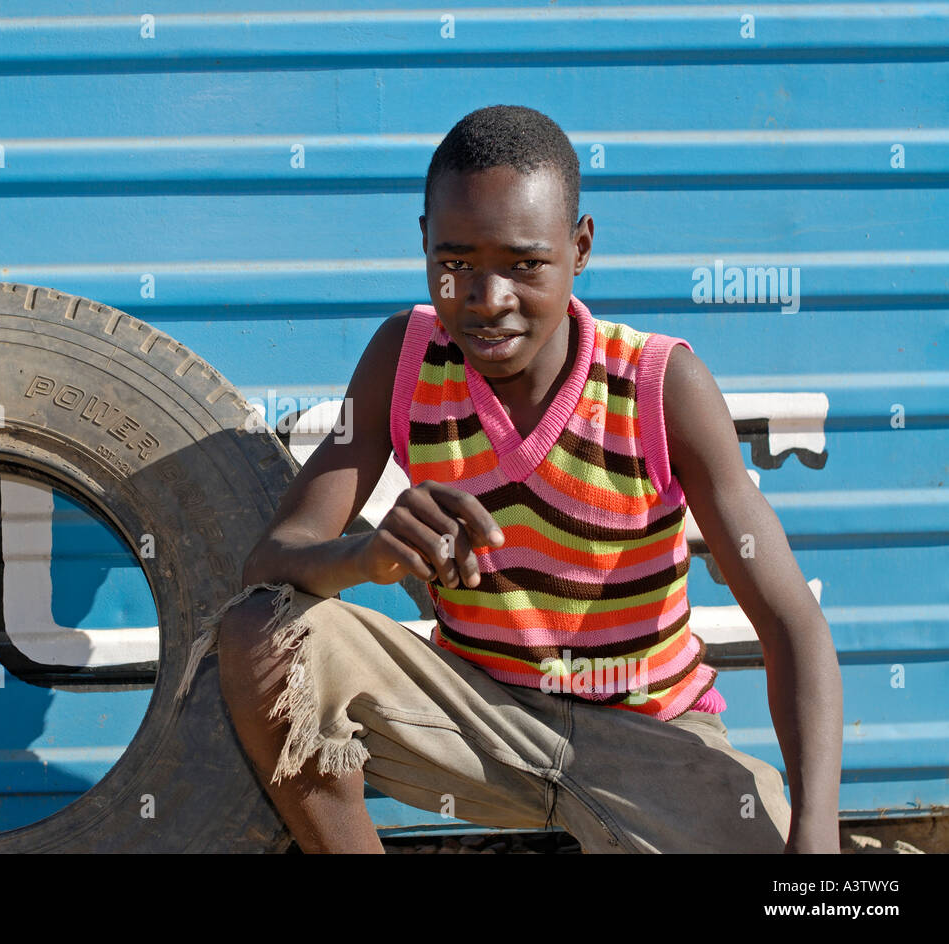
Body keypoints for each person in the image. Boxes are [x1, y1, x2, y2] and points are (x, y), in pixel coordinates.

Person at [175, 104, 842, 854]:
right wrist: (368, 559)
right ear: (423, 243)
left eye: (524, 264)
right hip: (475, 720)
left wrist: (817, 830)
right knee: (264, 632)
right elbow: (273, 560)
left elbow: (793, 623)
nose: (487, 301)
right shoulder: (402, 356)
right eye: (456, 263)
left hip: (648, 737)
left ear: (580, 246)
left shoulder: (661, 386)